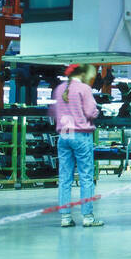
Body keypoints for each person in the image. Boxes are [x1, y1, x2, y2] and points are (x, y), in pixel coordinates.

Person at [50, 62, 102, 227]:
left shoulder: (58, 89)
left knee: (65, 177)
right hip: (80, 134)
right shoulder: (84, 89)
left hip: (64, 134)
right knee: (86, 176)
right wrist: (97, 112)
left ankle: (65, 218)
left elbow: (53, 113)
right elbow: (90, 112)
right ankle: (87, 217)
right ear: (83, 74)